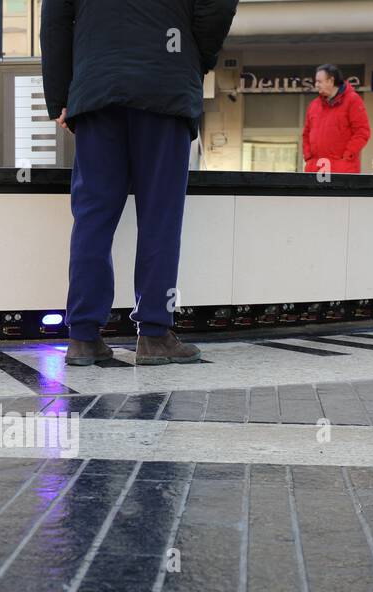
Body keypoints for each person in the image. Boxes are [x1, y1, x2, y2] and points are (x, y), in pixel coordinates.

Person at [42, 0, 239, 367]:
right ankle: (154, 333)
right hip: (165, 87)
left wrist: (59, 96)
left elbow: (55, 21)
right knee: (160, 219)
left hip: (97, 90)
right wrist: (194, 58)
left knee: (93, 217)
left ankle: (83, 336)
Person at [301, 64, 371, 174]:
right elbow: (306, 134)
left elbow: (362, 132)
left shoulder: (352, 100)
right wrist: (309, 157)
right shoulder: (314, 105)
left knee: (337, 192)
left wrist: (347, 156)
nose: (316, 85)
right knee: (314, 192)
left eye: (319, 81)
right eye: (316, 82)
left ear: (331, 80)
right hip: (315, 169)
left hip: (342, 169)